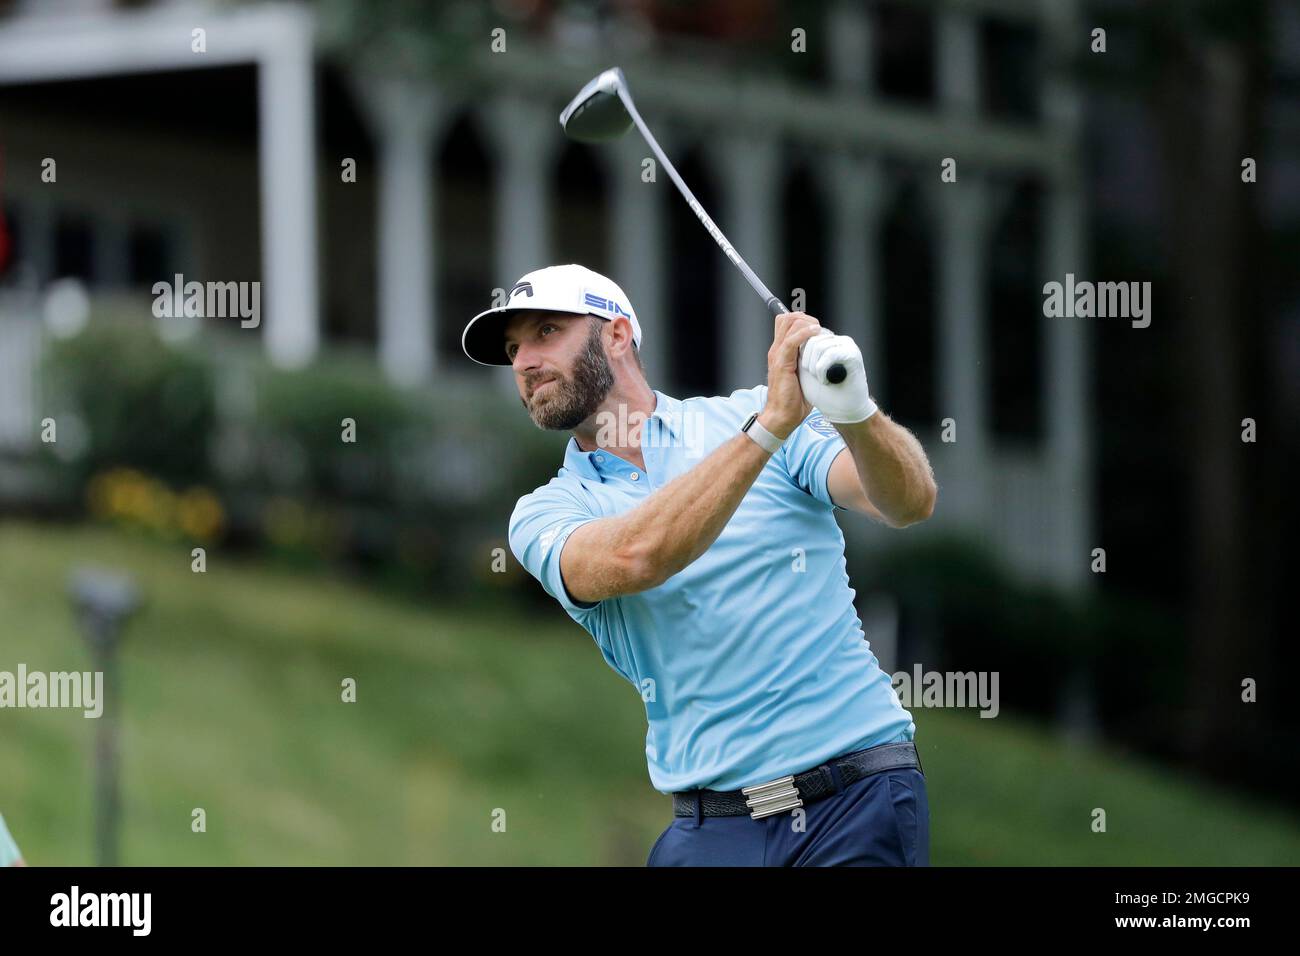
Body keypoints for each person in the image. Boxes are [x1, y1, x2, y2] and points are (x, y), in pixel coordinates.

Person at [462, 264, 937, 866]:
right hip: (712, 829)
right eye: (513, 348)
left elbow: (907, 502)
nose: (524, 361)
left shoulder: (754, 417)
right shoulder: (545, 512)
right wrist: (768, 428)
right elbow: (636, 557)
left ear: (616, 335)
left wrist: (856, 411)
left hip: (855, 798)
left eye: (546, 332)